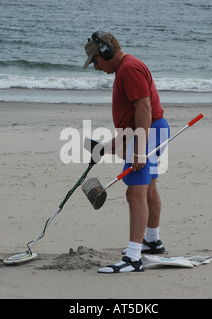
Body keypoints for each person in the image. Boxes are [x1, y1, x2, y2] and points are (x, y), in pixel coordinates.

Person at [83, 32, 170, 273]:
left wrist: (139, 150)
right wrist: (111, 146)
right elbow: (134, 117)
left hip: (149, 133)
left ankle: (133, 258)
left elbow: (144, 108)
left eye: (96, 61)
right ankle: (152, 241)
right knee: (149, 188)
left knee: (135, 193)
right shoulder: (126, 68)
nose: (96, 67)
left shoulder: (129, 69)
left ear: (106, 53)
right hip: (150, 132)